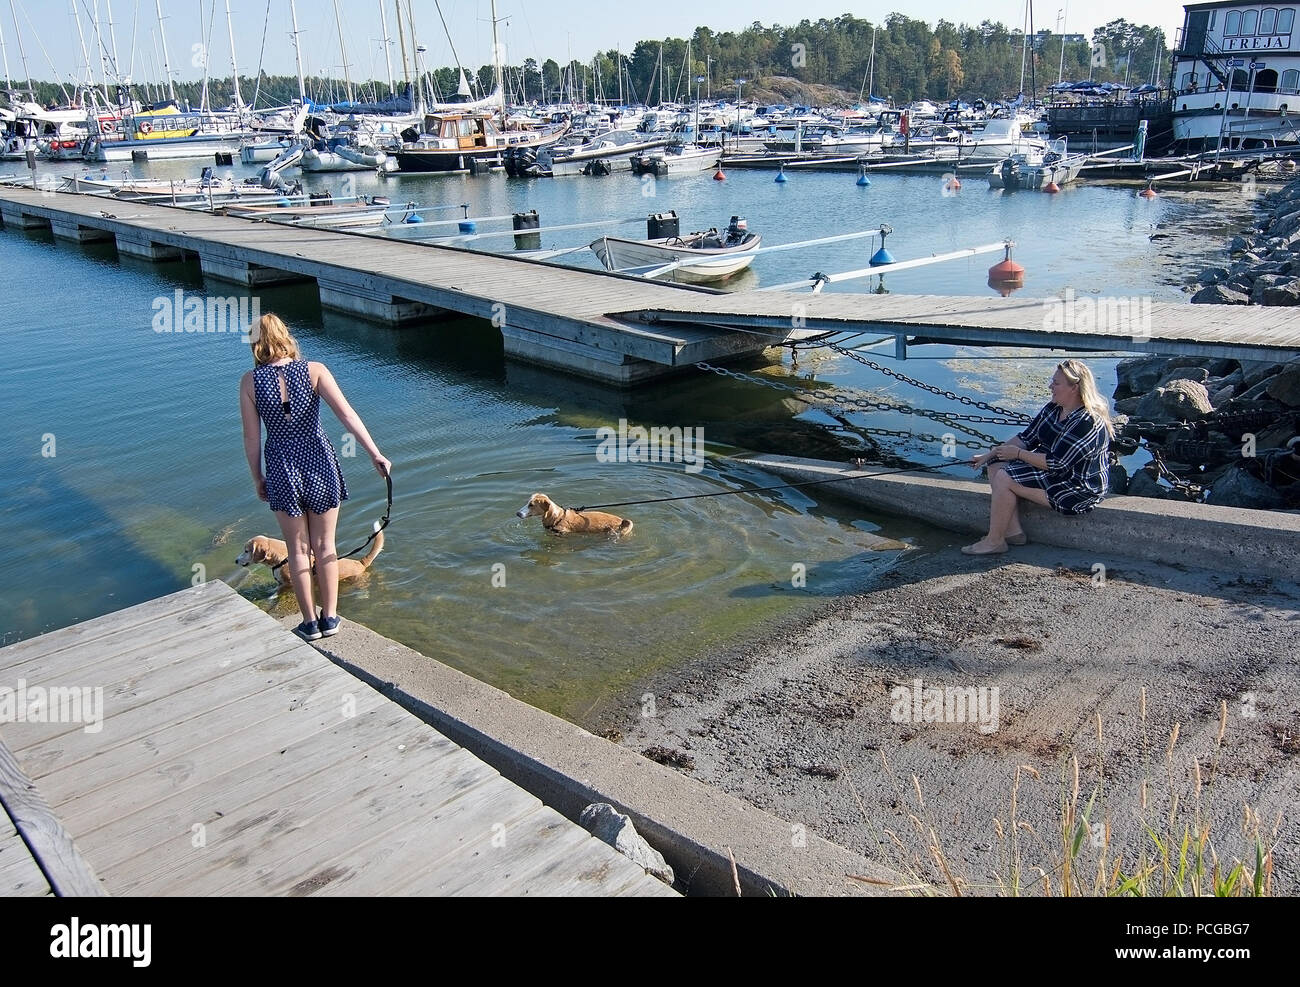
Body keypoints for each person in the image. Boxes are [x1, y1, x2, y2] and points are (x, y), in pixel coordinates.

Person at [239, 314, 391, 640]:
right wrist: (374, 453)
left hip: (280, 465)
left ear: (256, 344)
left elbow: (251, 439)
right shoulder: (315, 370)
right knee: (325, 547)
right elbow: (347, 414)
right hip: (319, 460)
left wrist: (257, 477)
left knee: (296, 549)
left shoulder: (250, 382)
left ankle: (309, 624)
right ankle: (331, 618)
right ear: (286, 337)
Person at [962, 359, 1114, 556]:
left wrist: (1017, 455)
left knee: (1004, 477)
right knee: (995, 464)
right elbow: (1027, 438)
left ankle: (994, 541)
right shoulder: (1054, 408)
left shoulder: (1087, 422)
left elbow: (1057, 464)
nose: (1051, 386)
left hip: (1077, 487)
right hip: (1056, 474)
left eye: (1056, 383)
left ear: (1074, 388)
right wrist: (988, 455)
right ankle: (1012, 533)